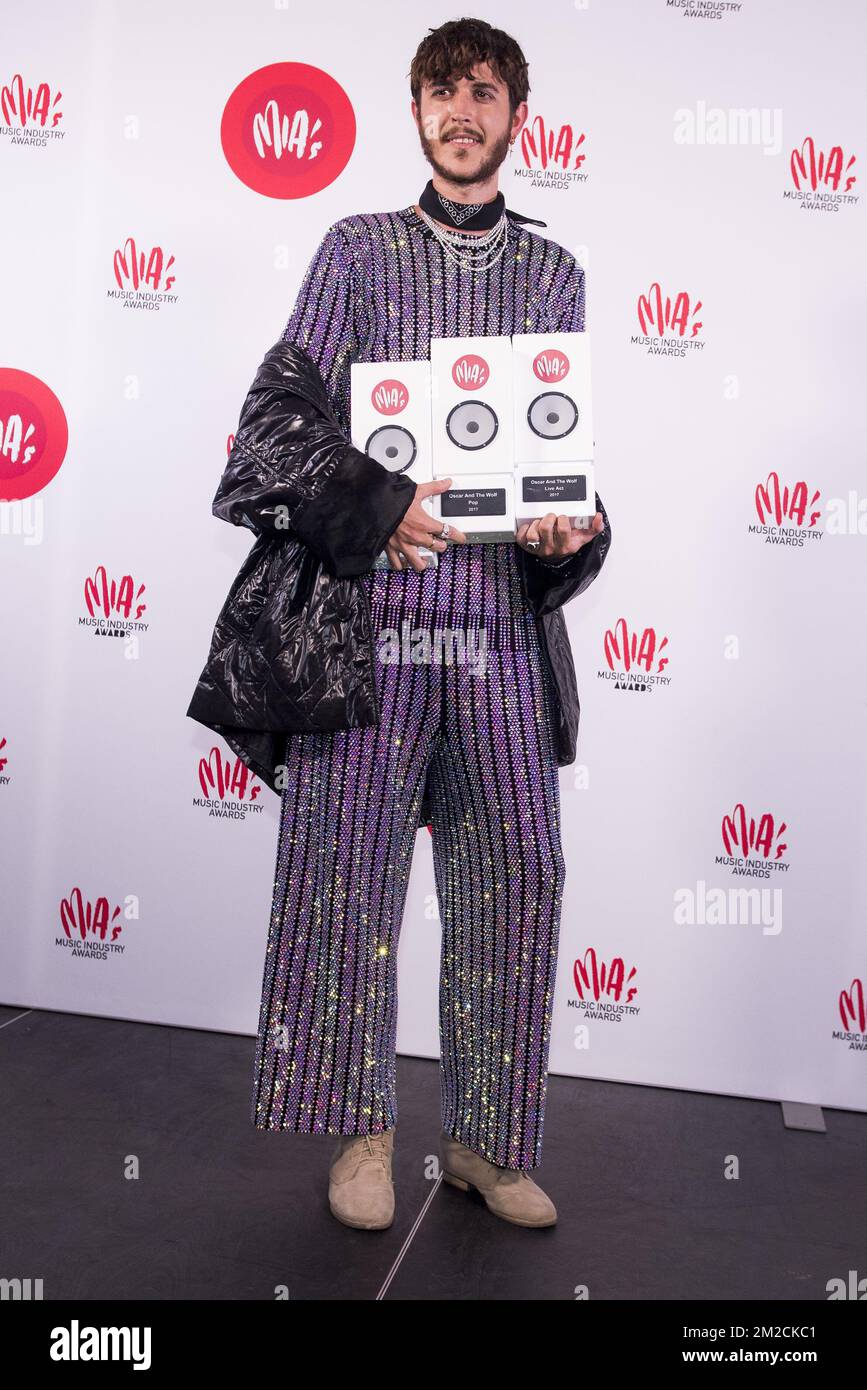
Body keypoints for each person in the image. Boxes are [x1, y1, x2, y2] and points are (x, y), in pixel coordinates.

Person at [189, 16, 611, 1232]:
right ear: (416, 109)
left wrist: (571, 528)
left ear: (517, 119)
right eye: (443, 91)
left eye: (485, 93)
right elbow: (273, 421)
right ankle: (361, 1133)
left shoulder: (553, 273)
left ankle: (485, 1139)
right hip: (365, 624)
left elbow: (554, 455)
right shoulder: (355, 251)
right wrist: (380, 507)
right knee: (345, 873)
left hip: (490, 628)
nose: (463, 111)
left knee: (518, 869)